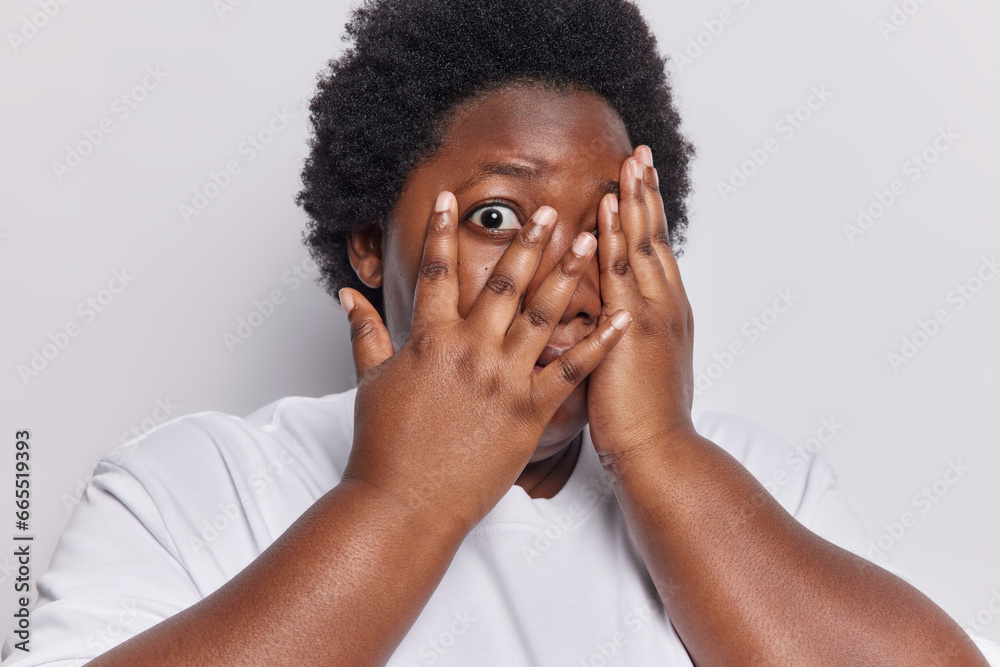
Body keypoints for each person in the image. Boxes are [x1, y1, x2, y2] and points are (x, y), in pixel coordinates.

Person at [4, 0, 998, 664]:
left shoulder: (761, 486)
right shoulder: (191, 486)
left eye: (602, 226)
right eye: (496, 218)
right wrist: (400, 500)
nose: (559, 279)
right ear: (366, 243)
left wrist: (661, 456)